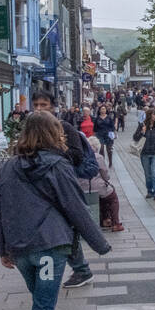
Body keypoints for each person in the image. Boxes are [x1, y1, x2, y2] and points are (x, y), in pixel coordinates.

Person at [0, 113, 111, 310]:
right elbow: (75, 206)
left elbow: (1, 208)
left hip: (20, 249)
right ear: (53, 134)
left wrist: (3, 248)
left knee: (41, 304)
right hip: (50, 247)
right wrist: (100, 244)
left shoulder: (9, 166)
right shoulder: (58, 165)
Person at [29, 84, 101, 289]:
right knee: (52, 228)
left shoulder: (64, 128)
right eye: (36, 105)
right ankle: (77, 269)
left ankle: (81, 269)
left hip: (62, 185)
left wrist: (52, 156)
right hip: (40, 186)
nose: (39, 109)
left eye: (44, 105)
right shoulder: (30, 129)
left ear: (53, 107)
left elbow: (77, 156)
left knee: (64, 227)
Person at [82, 136, 124, 231]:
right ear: (97, 147)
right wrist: (107, 179)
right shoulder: (98, 157)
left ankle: (105, 219)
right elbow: (104, 174)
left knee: (103, 196)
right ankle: (115, 223)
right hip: (95, 186)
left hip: (82, 187)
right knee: (112, 197)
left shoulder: (81, 156)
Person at [133, 107, 155, 200]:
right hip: (144, 153)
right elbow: (135, 138)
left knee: (154, 173)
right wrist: (142, 132)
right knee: (148, 174)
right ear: (149, 115)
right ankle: (149, 191)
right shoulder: (142, 125)